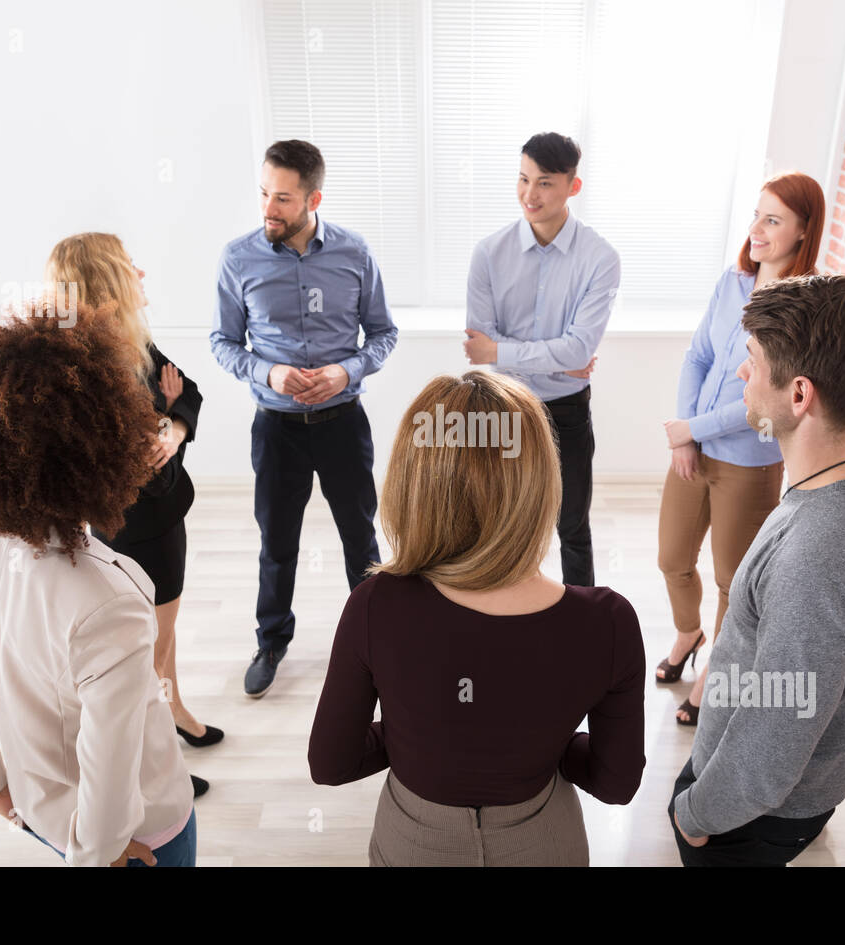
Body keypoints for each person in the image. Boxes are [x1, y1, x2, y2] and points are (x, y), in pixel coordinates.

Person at [668, 274, 845, 866]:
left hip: (750, 815)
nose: (742, 375)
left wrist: (695, 816)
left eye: (751, 360)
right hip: (814, 785)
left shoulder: (818, 558)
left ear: (799, 396)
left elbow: (769, 754)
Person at [308, 370, 646, 867]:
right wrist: (543, 739)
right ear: (540, 480)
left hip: (415, 843)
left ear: (413, 482)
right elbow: (616, 784)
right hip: (546, 843)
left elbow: (331, 763)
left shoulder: (375, 605)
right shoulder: (608, 622)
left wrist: (412, 734)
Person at [0, 303, 197, 866]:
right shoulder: (109, 598)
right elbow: (110, 762)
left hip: (41, 812)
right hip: (139, 836)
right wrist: (98, 853)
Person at [211, 139, 398, 698]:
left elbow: (383, 334)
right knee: (277, 541)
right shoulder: (237, 258)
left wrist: (346, 371)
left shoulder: (354, 253)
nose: (269, 207)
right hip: (276, 431)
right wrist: (267, 373)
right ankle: (272, 641)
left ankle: (377, 644)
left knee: (359, 538)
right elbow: (223, 342)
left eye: (283, 198)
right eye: (265, 193)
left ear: (314, 198)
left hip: (343, 424)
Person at [46, 233, 223, 780]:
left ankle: (173, 713)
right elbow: (141, 471)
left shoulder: (131, 342)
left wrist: (170, 424)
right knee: (149, 644)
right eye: (129, 266)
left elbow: (186, 389)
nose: (141, 273)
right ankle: (152, 766)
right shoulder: (85, 366)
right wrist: (164, 426)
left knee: (160, 637)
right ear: (106, 281)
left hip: (163, 519)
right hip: (136, 527)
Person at [657, 172, 825, 728]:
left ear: (803, 233)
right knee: (673, 560)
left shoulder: (804, 306)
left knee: (734, 580)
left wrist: (693, 428)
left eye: (773, 220)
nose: (756, 229)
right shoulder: (732, 282)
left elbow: (769, 401)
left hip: (749, 465)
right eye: (756, 215)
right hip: (694, 450)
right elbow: (697, 355)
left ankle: (713, 679)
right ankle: (689, 633)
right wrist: (688, 431)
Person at [464, 131, 619, 587]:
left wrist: (504, 351)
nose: (529, 195)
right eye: (523, 179)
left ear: (573, 186)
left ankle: (585, 629)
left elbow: (577, 350)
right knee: (498, 525)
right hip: (502, 404)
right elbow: (480, 349)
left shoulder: (600, 258)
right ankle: (500, 616)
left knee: (571, 527)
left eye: (545, 183)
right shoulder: (489, 253)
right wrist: (556, 357)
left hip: (565, 410)